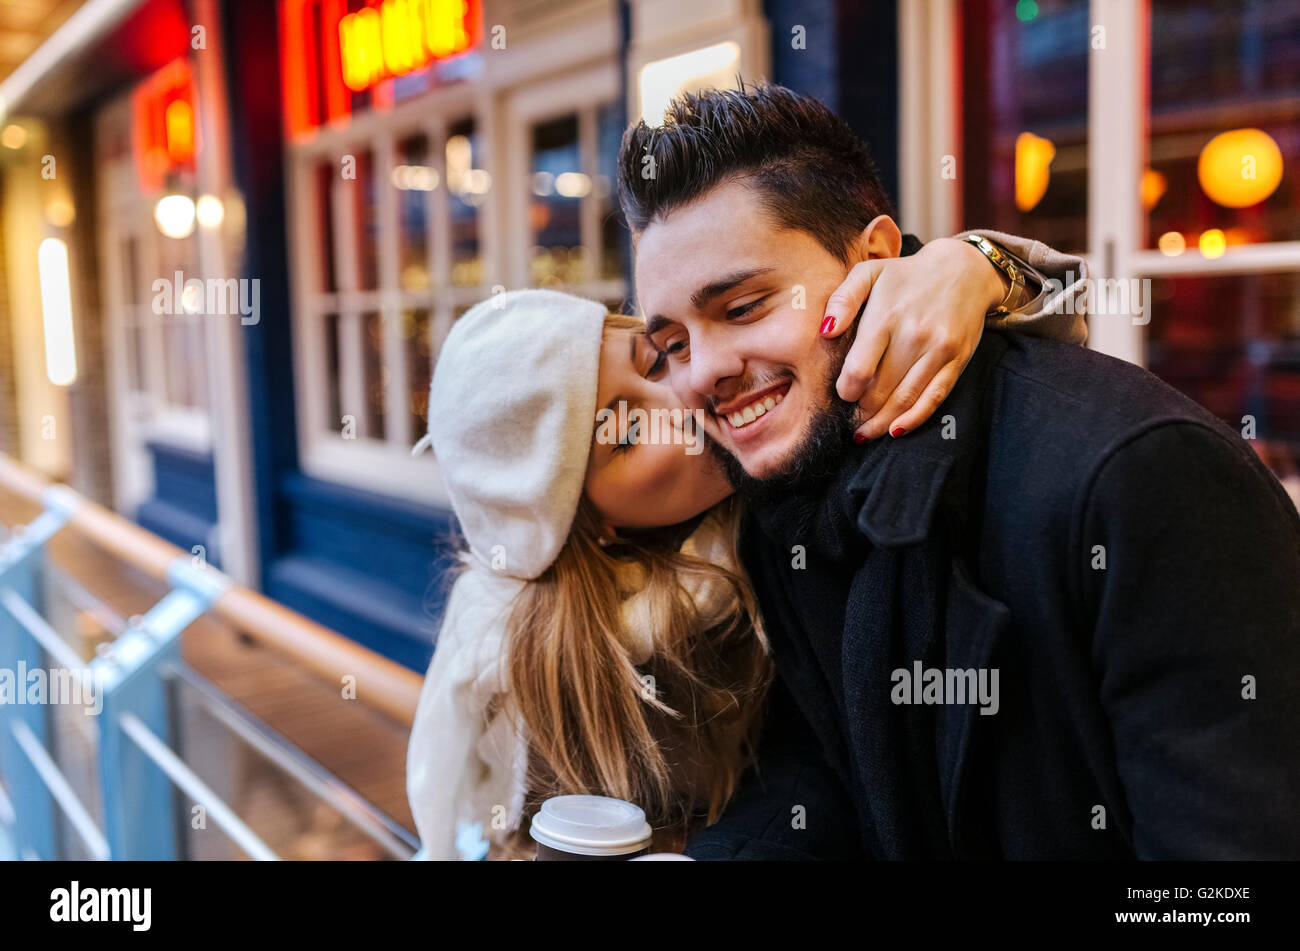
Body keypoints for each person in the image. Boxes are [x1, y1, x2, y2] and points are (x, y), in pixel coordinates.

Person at [619, 82, 1300, 859]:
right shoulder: (784, 503)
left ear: (873, 257)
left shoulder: (1136, 476)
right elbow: (824, 770)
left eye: (743, 307)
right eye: (672, 344)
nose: (704, 371)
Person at [406, 227, 1090, 860]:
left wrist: (973, 266)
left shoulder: (784, 438)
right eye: (624, 435)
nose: (684, 398)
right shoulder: (559, 659)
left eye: (654, 359)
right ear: (592, 526)